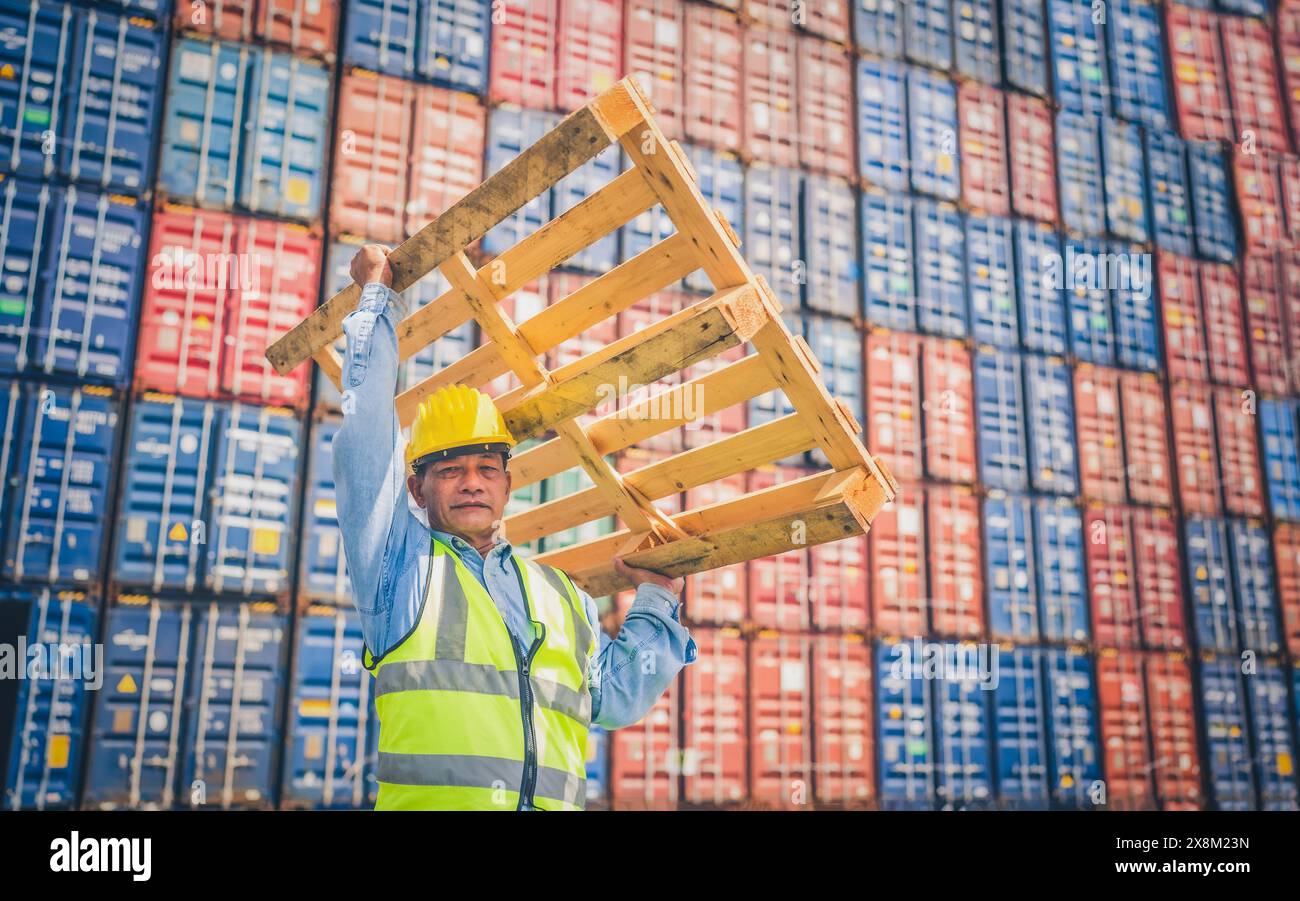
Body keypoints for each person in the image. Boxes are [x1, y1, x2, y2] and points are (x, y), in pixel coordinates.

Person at [333, 244, 697, 810]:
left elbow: (615, 698)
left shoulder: (560, 595)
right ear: (415, 489)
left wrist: (656, 600)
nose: (471, 483)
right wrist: (376, 301)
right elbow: (364, 445)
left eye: (486, 469)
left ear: (507, 485)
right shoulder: (400, 571)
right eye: (449, 471)